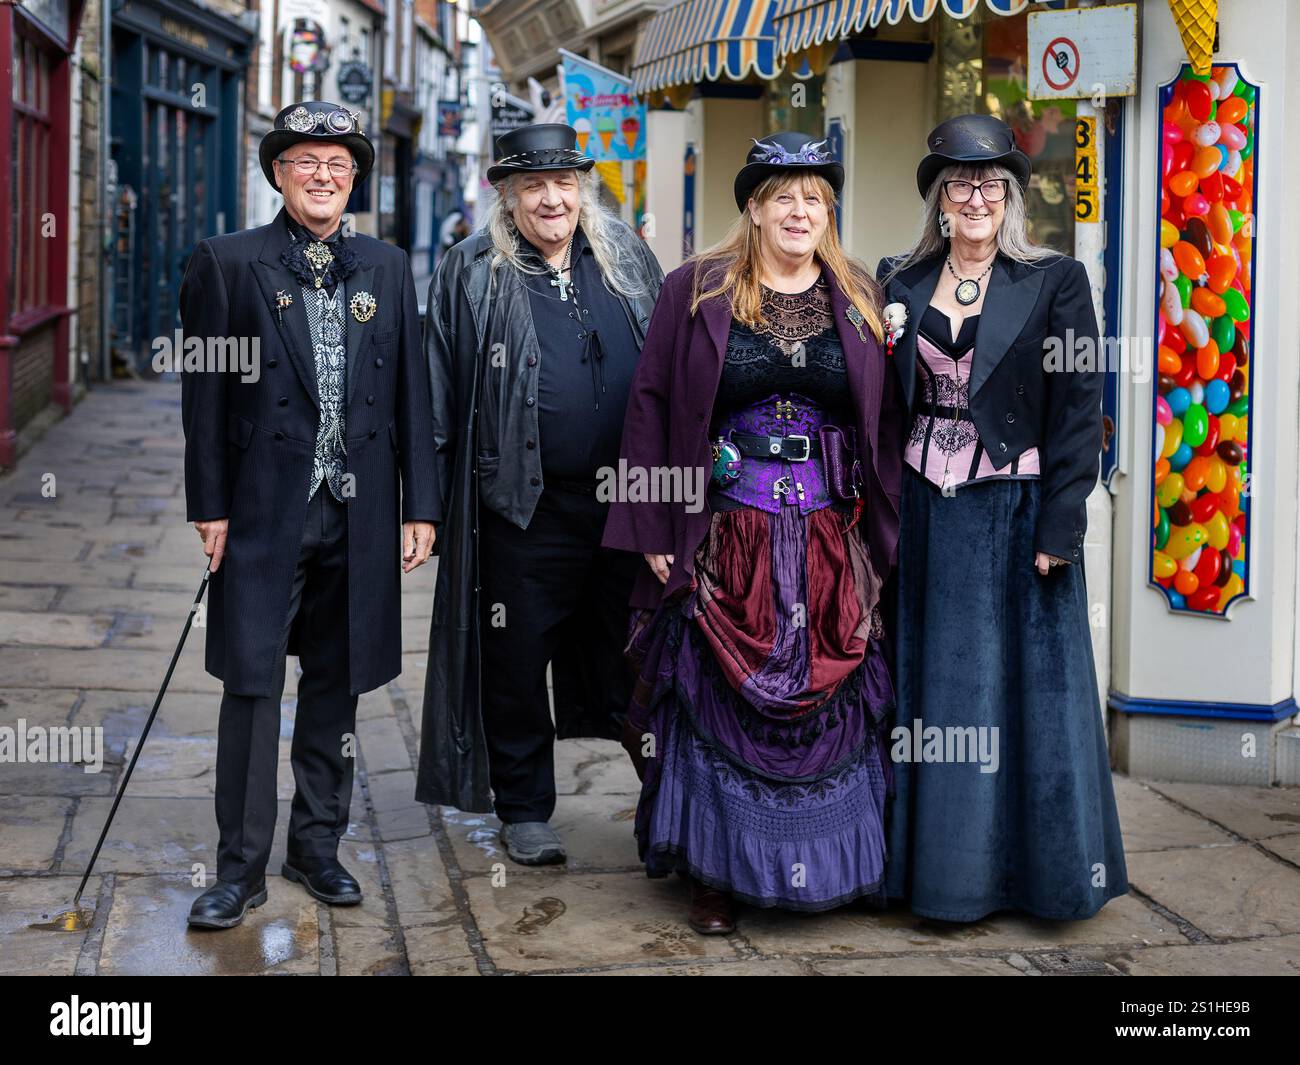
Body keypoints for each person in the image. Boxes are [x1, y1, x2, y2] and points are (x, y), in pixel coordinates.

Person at [603, 133, 905, 934]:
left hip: (829, 536)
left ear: (827, 212)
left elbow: (887, 420)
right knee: (718, 705)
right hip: (724, 529)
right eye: (783, 196)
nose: (799, 210)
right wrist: (652, 516)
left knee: (830, 703)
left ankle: (842, 864)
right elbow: (651, 404)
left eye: (814, 197)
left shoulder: (861, 292)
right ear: (754, 207)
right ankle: (717, 875)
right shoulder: (693, 290)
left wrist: (886, 526)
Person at [179, 101, 439, 928]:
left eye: (338, 165)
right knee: (251, 685)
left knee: (338, 684)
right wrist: (209, 506)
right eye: (306, 163)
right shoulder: (226, 262)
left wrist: (419, 505)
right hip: (261, 511)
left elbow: (412, 393)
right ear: (279, 174)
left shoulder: (389, 265)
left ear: (354, 180)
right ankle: (239, 867)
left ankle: (317, 847)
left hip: (358, 515)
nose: (323, 176)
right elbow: (203, 398)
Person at [877, 113, 1128, 922]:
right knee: (938, 695)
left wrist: (1062, 527)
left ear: (1011, 196)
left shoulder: (1055, 280)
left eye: (990, 182)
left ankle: (1034, 876)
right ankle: (939, 878)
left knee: (1023, 698)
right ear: (940, 198)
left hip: (1017, 518)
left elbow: (1080, 411)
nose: (976, 195)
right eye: (960, 181)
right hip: (925, 512)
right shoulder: (899, 281)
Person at [417, 123, 664, 865]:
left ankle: (667, 794)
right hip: (523, 503)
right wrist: (422, 509)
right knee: (516, 656)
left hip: (628, 502)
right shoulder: (470, 270)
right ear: (508, 195)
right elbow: (436, 396)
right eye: (534, 185)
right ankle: (524, 808)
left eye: (564, 183)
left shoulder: (626, 255)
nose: (552, 198)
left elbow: (672, 365)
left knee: (641, 653)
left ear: (581, 189)